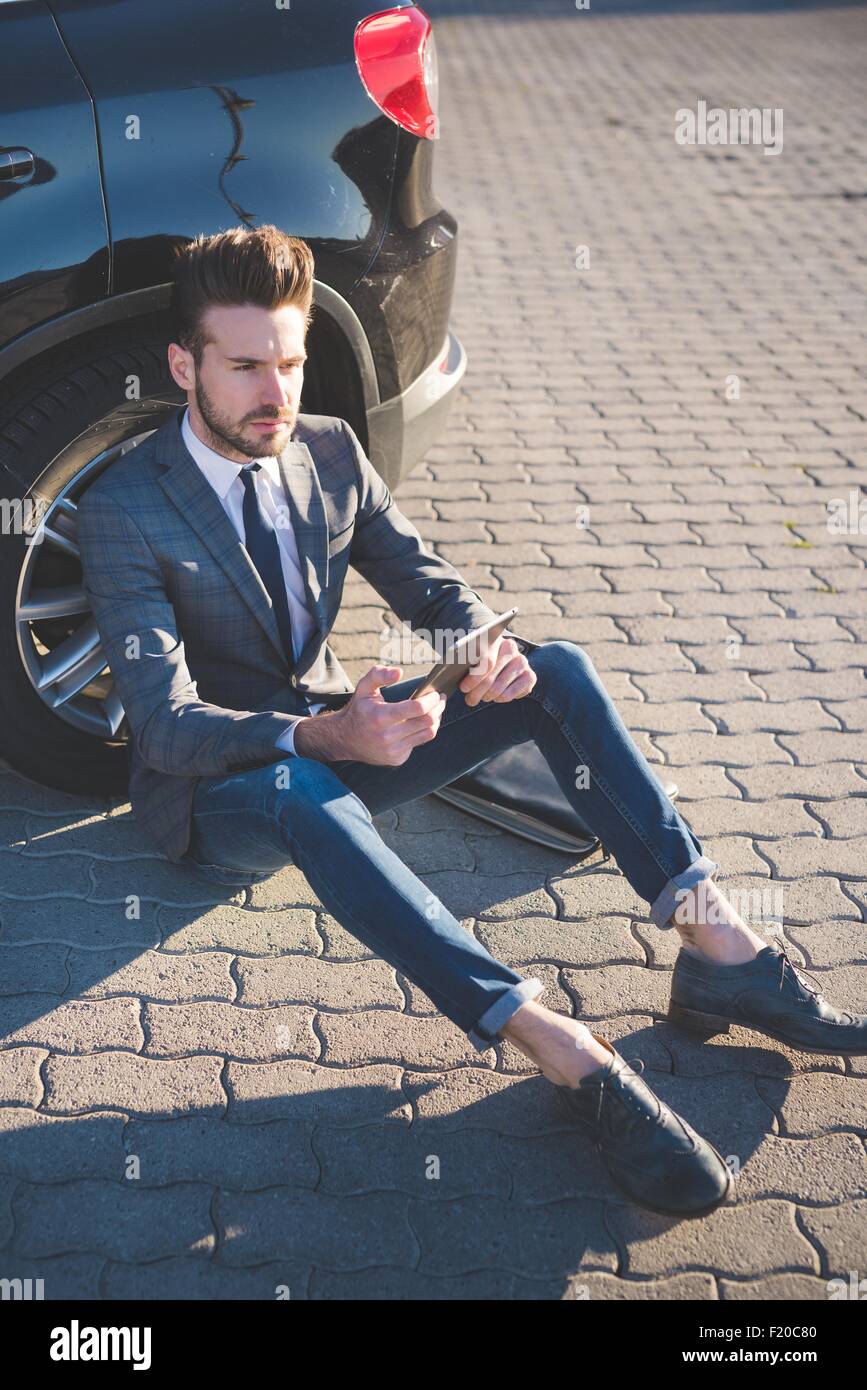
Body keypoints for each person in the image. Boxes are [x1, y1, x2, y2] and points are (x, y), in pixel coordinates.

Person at [77, 225, 867, 1219]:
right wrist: (327, 737)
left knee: (555, 671)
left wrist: (477, 646)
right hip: (218, 800)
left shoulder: (327, 449)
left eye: (290, 360)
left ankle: (723, 957)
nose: (275, 391)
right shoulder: (125, 508)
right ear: (185, 365)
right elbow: (163, 724)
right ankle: (565, 1052)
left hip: (340, 737)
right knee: (299, 784)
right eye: (244, 367)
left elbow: (425, 580)